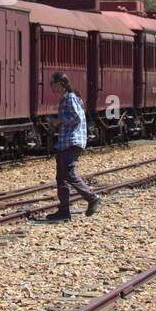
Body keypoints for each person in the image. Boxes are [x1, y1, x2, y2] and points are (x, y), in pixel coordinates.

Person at [46, 71, 101, 222]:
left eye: (52, 83)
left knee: (69, 173)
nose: (50, 86)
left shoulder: (70, 97)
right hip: (65, 142)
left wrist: (58, 121)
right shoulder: (65, 98)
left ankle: (92, 197)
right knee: (61, 178)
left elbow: (76, 117)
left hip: (73, 141)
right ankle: (64, 211)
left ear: (60, 84)